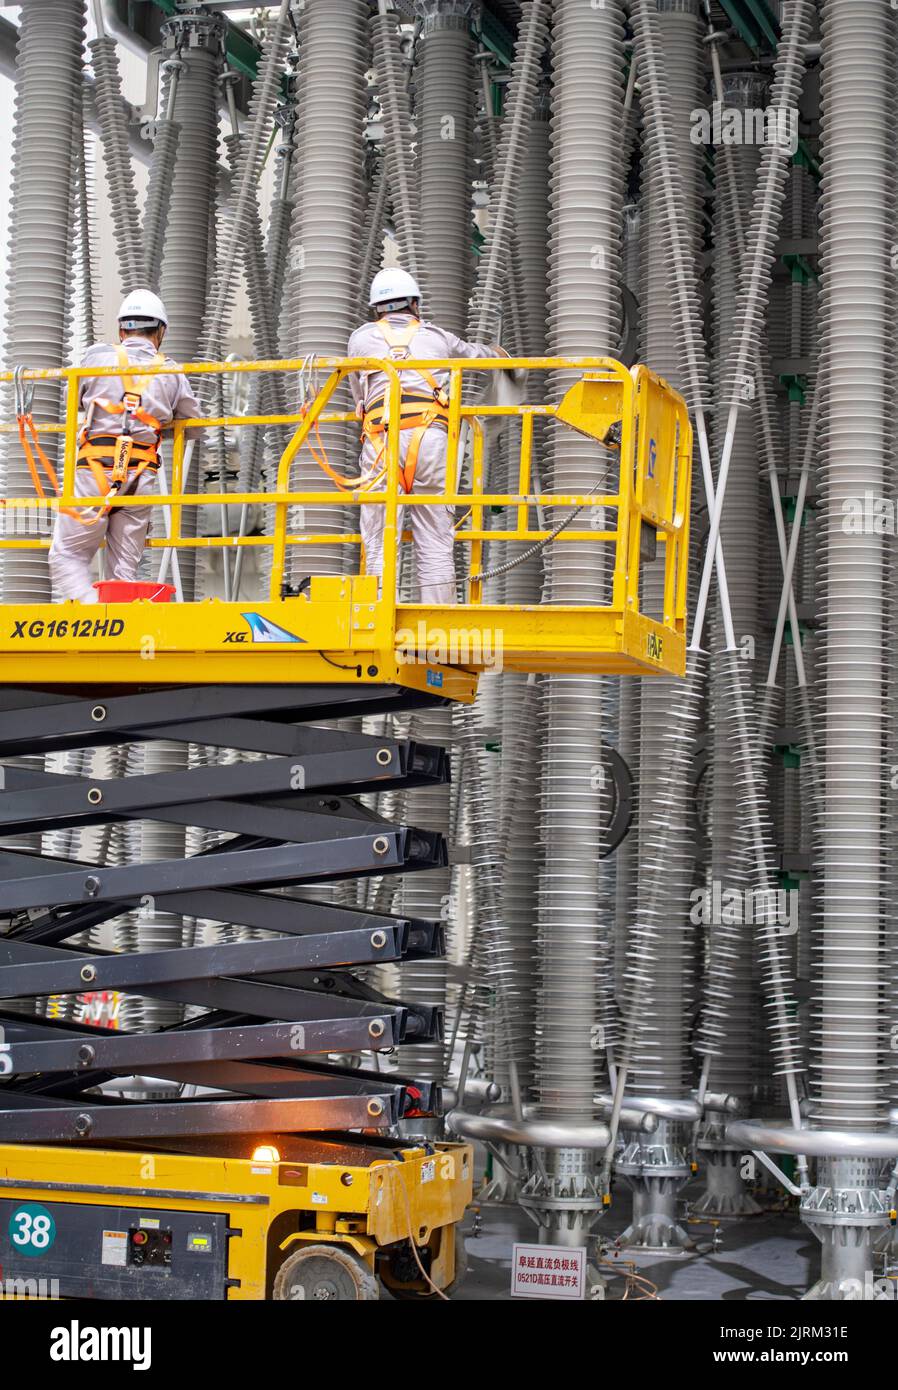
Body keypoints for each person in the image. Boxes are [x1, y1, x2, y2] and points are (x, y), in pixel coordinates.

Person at [347, 268, 507, 604]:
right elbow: (478, 357)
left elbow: (359, 399)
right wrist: (498, 354)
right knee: (434, 535)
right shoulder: (437, 337)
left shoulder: (360, 339)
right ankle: (439, 617)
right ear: (415, 305)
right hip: (429, 439)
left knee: (378, 537)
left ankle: (378, 611)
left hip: (381, 443)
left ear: (378, 309)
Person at [48, 290, 204, 603]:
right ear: (160, 332)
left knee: (68, 556)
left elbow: (74, 399)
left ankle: (94, 616)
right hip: (140, 478)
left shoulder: (97, 359)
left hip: (94, 473)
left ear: (122, 330)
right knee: (123, 572)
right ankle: (118, 624)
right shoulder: (170, 371)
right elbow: (195, 425)